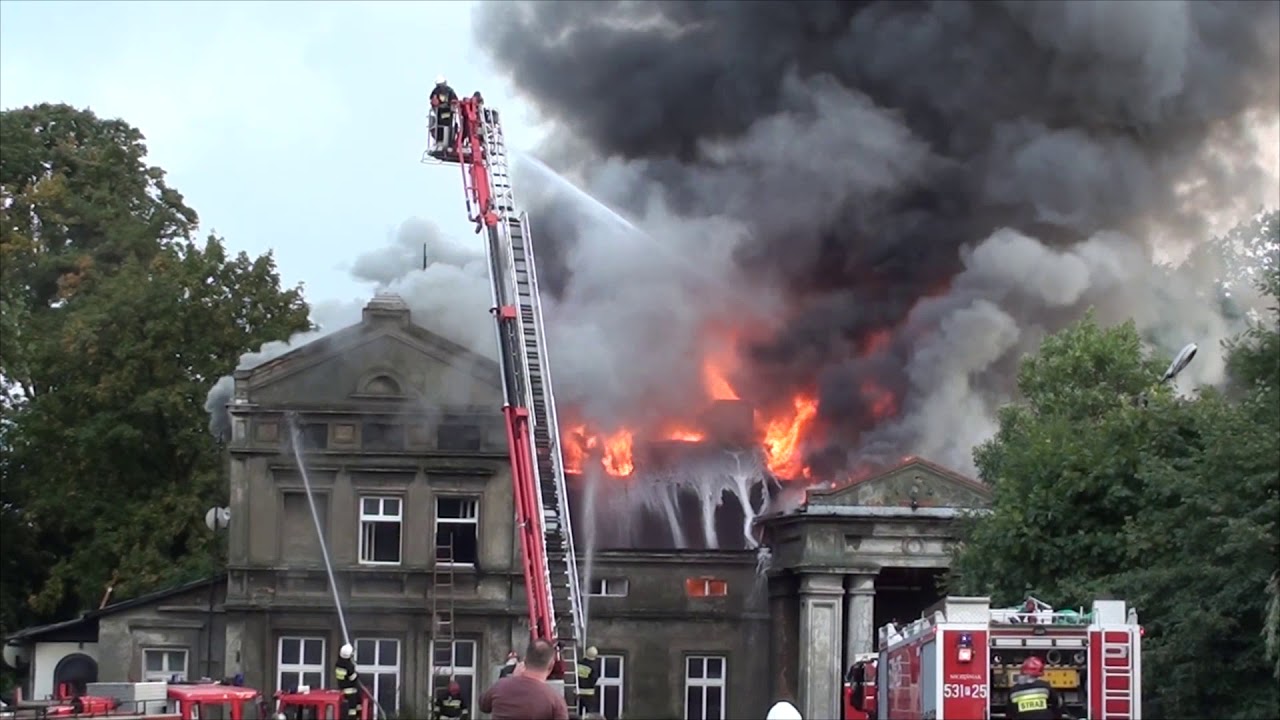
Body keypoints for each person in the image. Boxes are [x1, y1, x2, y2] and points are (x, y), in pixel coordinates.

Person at [479, 638, 570, 720]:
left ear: (525, 660)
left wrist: (511, 679)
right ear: (551, 665)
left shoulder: (500, 687)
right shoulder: (555, 700)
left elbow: (483, 705)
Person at [430, 74, 458, 152]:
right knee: (444, 127)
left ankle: (443, 143)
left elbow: (455, 101)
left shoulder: (441, 91)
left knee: (444, 127)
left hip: (444, 113)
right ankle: (444, 143)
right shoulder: (447, 90)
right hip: (444, 113)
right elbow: (433, 101)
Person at [334, 643, 361, 720]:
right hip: (351, 691)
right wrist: (356, 674)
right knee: (353, 708)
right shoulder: (349, 665)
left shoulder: (338, 663)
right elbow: (353, 678)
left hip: (342, 689)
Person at [575, 646, 600, 716]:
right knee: (589, 714)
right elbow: (594, 678)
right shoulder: (593, 666)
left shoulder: (579, 663)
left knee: (578, 713)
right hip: (589, 693)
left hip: (578, 691)